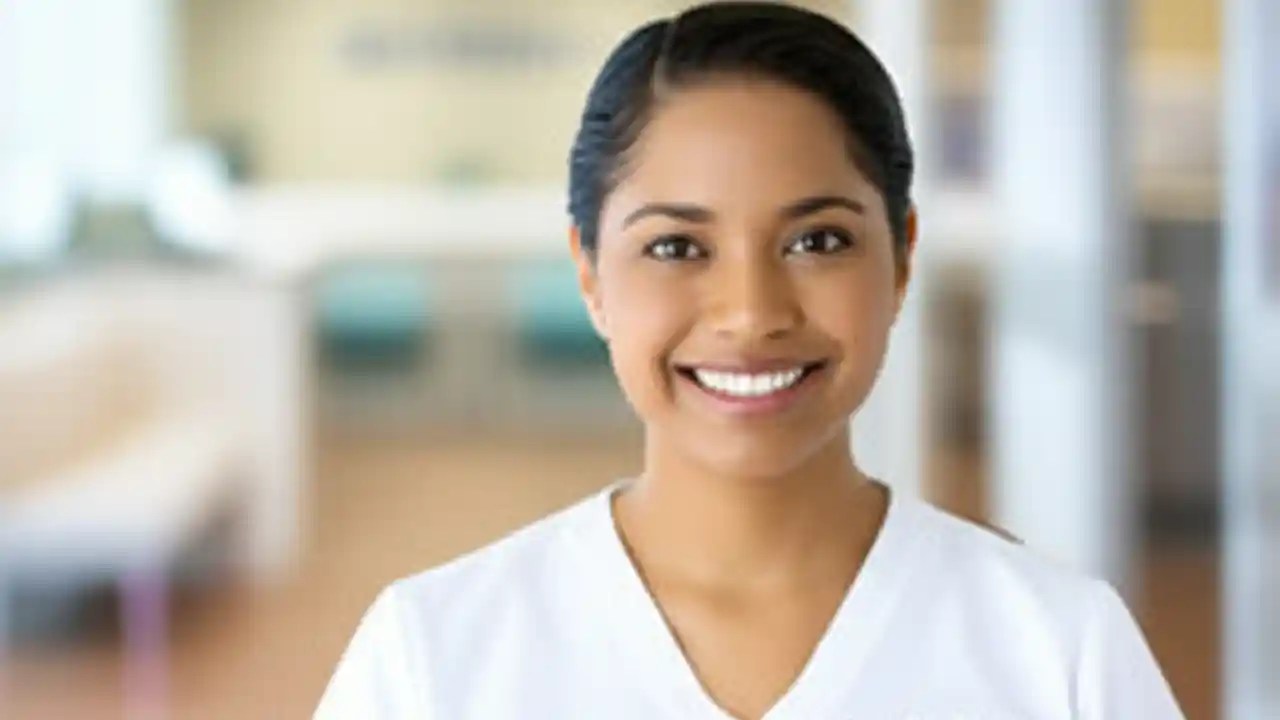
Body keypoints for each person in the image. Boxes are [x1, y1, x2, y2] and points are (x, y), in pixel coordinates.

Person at [315, 3, 1185, 718]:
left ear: (901, 259)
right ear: (590, 274)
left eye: (818, 240)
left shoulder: (1059, 654)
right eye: (676, 247)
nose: (752, 313)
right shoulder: (433, 657)